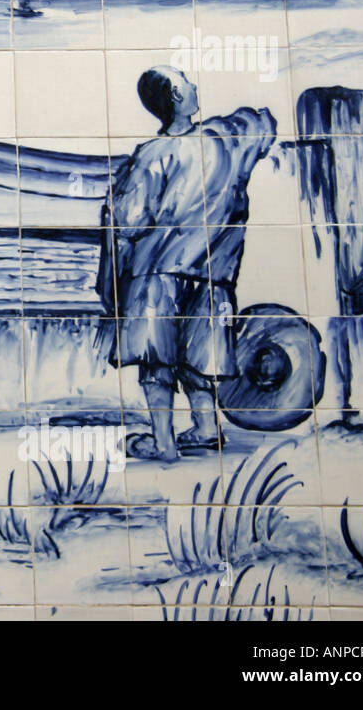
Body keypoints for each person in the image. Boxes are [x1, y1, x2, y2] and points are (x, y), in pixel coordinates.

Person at [97, 66, 276, 461]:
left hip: (158, 271)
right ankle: (206, 428)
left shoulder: (151, 156)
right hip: (213, 271)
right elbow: (263, 126)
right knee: (200, 352)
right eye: (187, 82)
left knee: (156, 358)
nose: (195, 86)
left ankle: (164, 443)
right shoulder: (223, 142)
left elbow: (129, 220)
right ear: (177, 98)